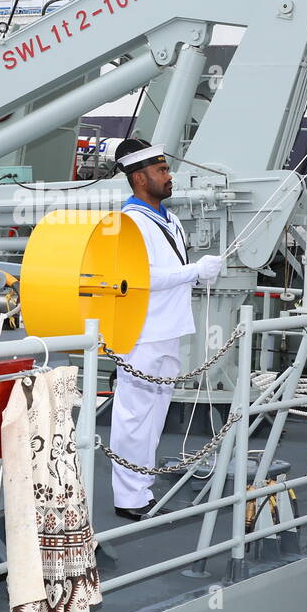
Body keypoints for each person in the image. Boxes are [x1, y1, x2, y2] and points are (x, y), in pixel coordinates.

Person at [110, 138, 223, 520]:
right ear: (139, 178)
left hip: (168, 328)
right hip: (140, 331)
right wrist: (196, 270)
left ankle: (141, 490)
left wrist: (195, 275)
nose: (169, 176)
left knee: (154, 417)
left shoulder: (168, 220)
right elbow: (138, 277)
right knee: (134, 417)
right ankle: (128, 499)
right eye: (161, 171)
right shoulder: (129, 222)